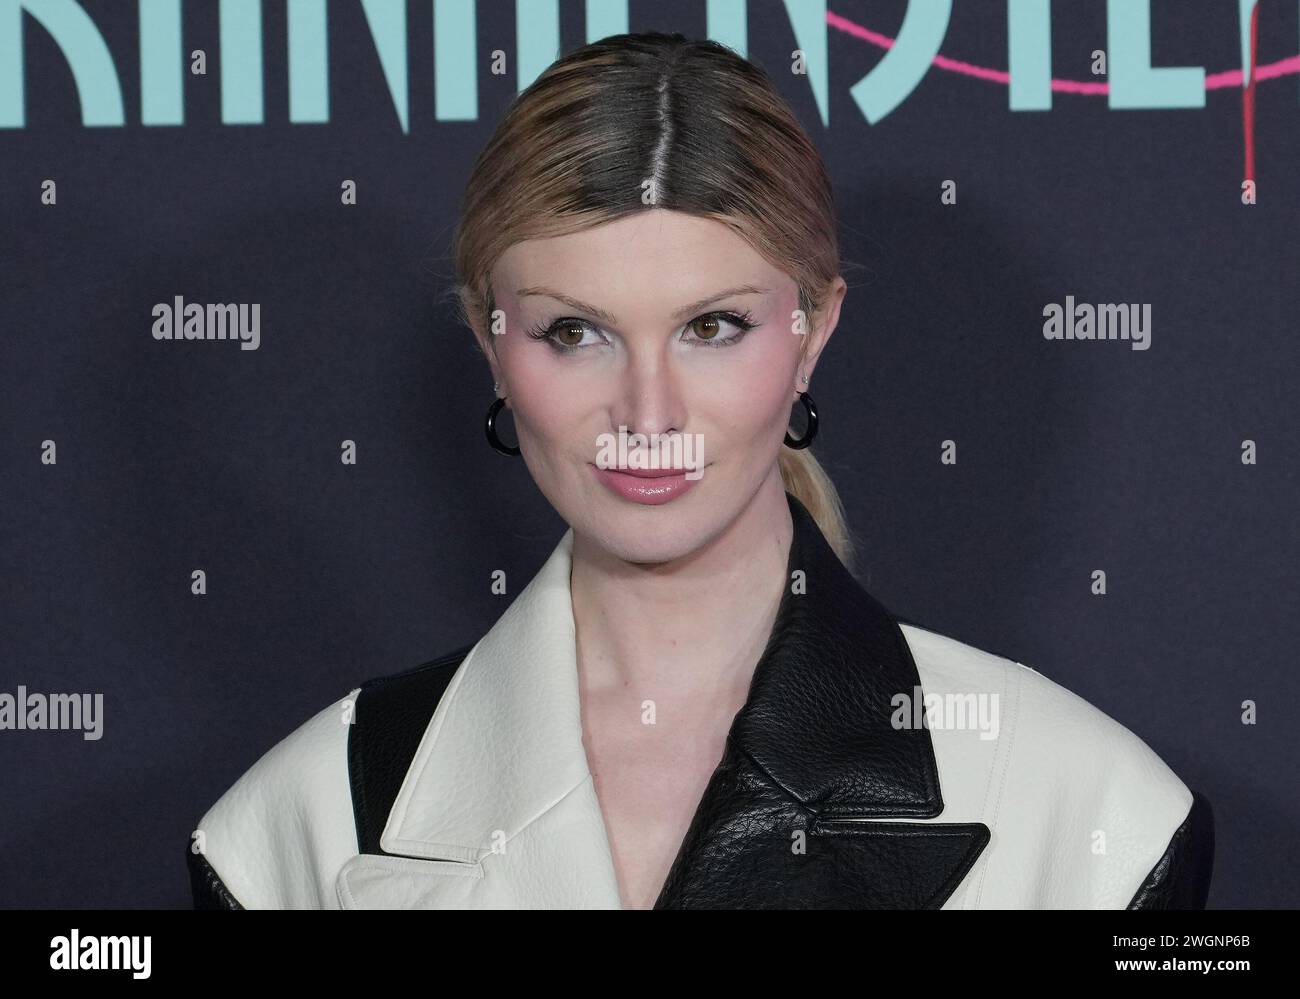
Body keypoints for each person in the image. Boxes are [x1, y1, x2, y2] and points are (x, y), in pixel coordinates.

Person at [186, 31, 1213, 910]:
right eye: (574, 331)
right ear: (489, 341)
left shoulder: (1092, 816)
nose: (648, 412)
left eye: (713, 326)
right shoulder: (297, 831)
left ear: (813, 331)